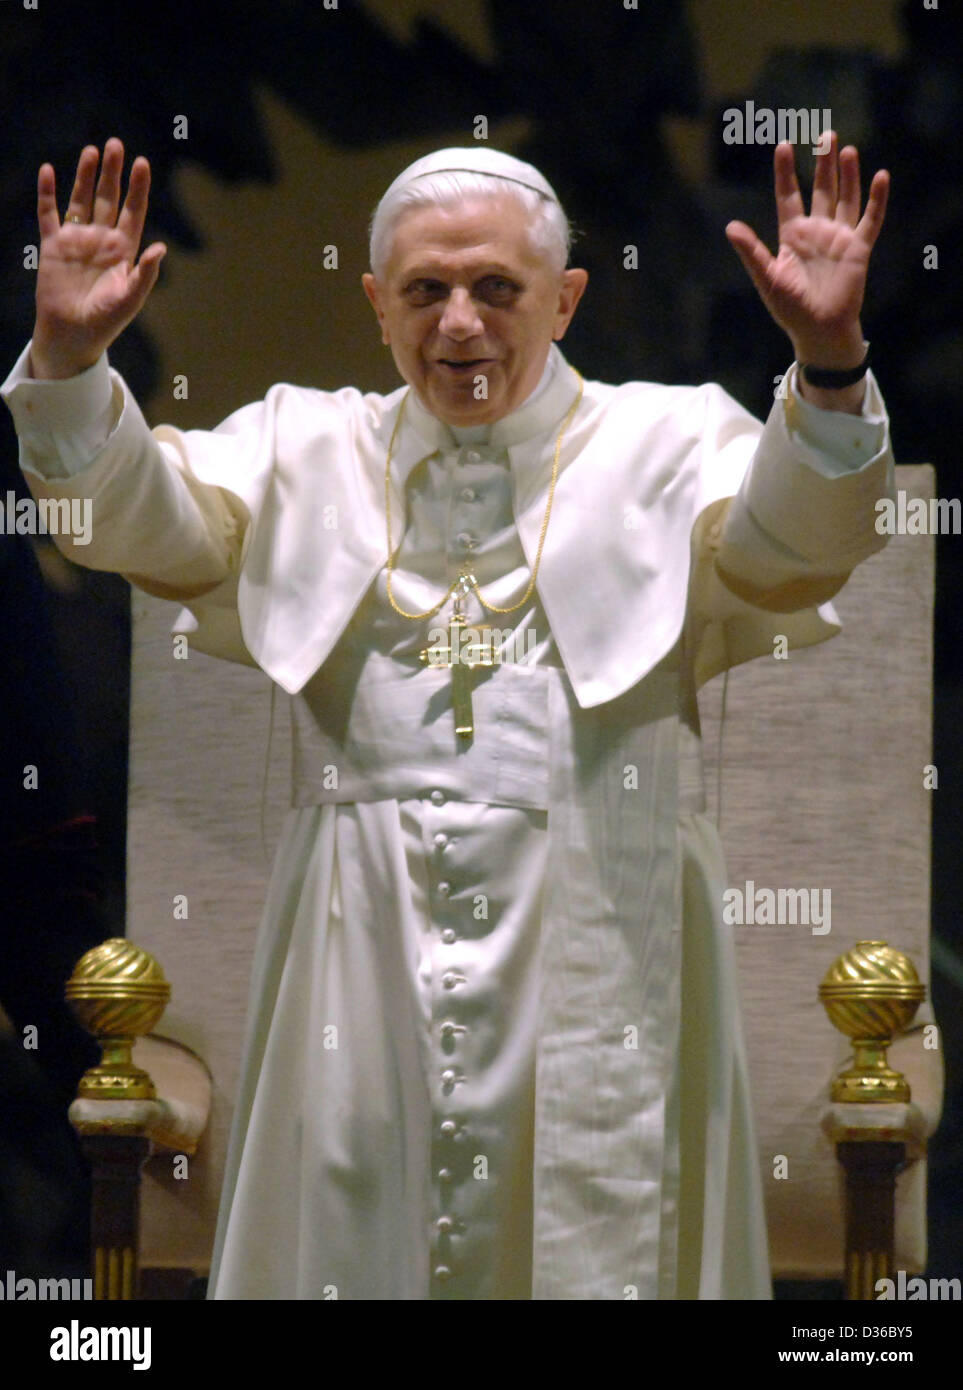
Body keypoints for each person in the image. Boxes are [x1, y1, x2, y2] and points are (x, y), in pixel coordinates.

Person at [2, 135, 893, 1300]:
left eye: (496, 290)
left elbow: (801, 544)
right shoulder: (303, 447)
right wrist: (71, 365)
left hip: (606, 931)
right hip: (361, 948)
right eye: (425, 291)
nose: (459, 323)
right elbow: (128, 518)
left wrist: (827, 366)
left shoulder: (670, 443)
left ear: (565, 299)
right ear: (378, 305)